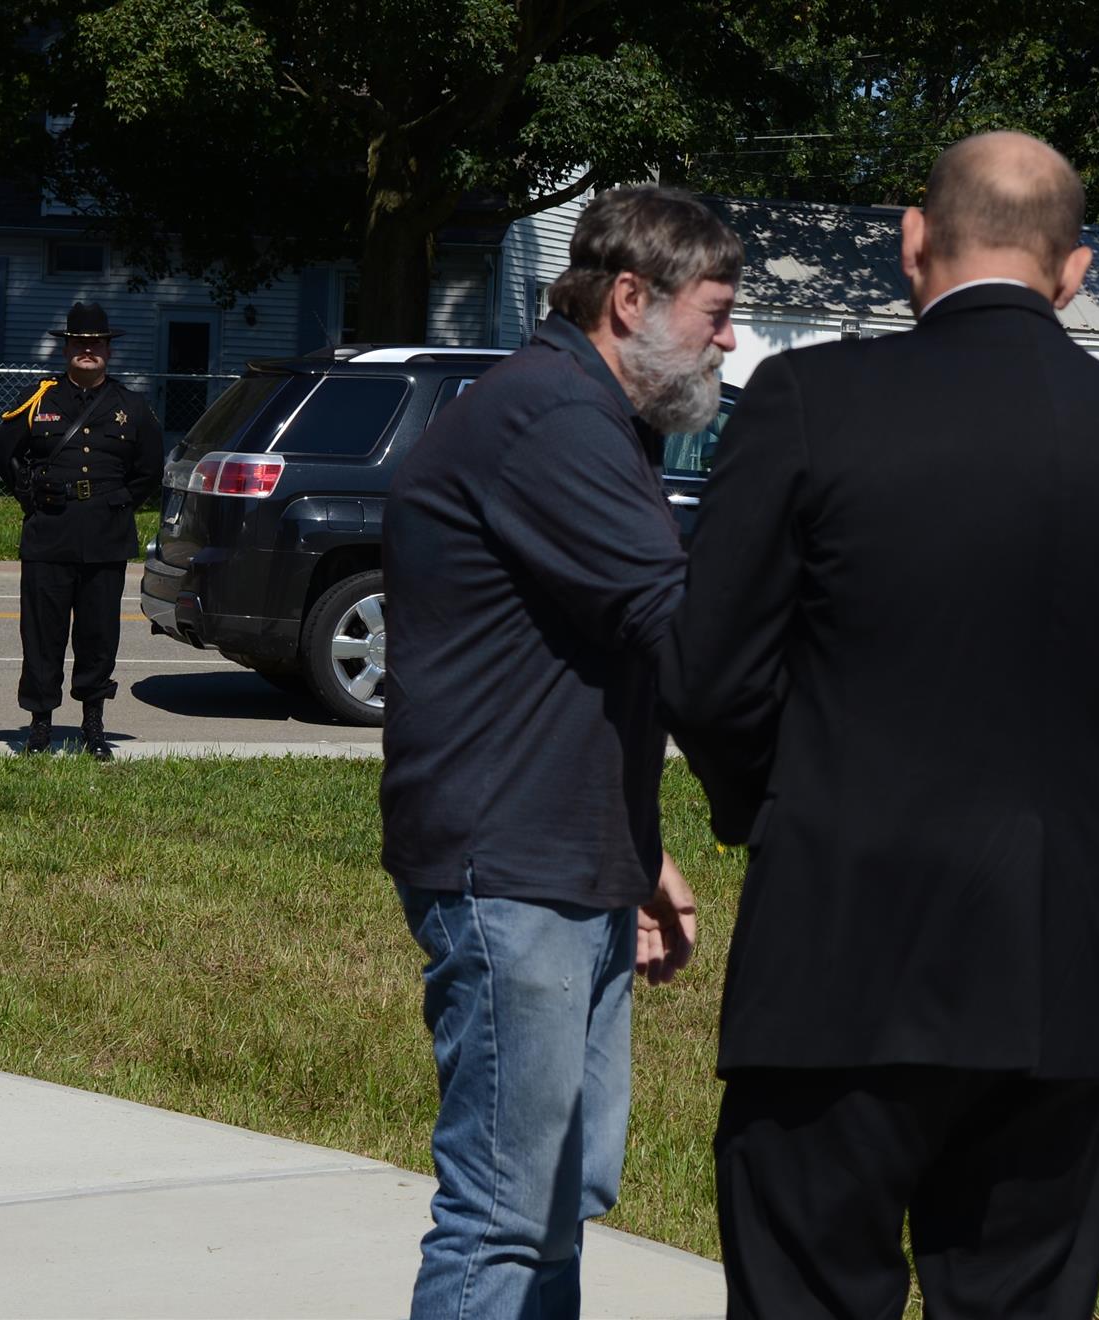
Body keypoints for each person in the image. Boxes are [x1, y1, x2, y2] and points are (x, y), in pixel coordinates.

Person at [659, 130, 1099, 1318]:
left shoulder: (811, 399)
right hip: (1059, 969)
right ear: (1075, 273)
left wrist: (785, 804)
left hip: (835, 953)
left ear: (913, 240)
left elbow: (711, 671)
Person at [380, 185, 738, 1318]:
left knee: (553, 1204)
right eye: (716, 311)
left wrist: (638, 850)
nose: (729, 340)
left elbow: (597, 671)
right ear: (630, 299)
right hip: (509, 868)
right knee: (503, 1213)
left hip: (563, 859)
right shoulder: (551, 417)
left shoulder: (588, 416)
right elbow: (672, 625)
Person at [0, 301, 162, 759]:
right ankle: (40, 726)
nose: (88, 351)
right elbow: (3, 455)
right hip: (49, 533)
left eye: (96, 344)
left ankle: (93, 725)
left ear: (109, 349)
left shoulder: (132, 406)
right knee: (42, 635)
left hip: (105, 537)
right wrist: (29, 497)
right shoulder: (38, 400)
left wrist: (118, 502)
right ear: (67, 348)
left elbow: (149, 470)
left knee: (98, 635)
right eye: (80, 344)